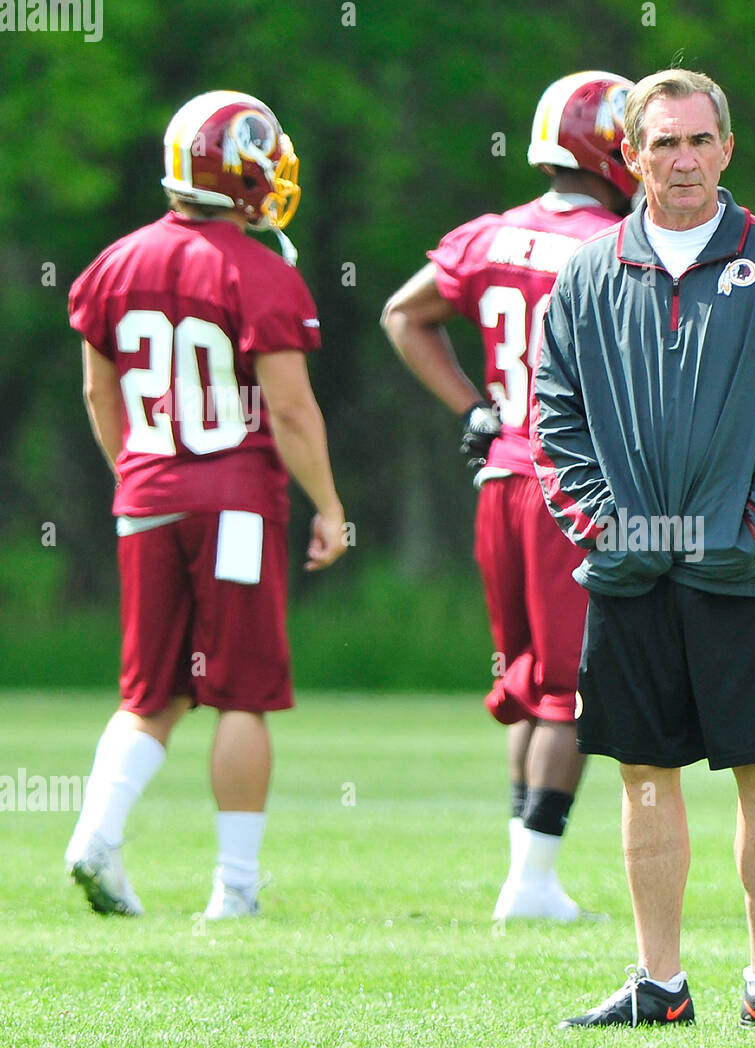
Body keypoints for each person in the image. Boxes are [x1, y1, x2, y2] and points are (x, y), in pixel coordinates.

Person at [534, 68, 755, 1029]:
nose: (683, 159)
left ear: (726, 148)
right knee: (643, 773)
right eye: (662, 142)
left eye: (698, 139)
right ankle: (658, 984)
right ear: (628, 155)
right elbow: (555, 422)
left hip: (744, 568)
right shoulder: (589, 272)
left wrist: (750, 527)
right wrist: (610, 525)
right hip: (631, 570)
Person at [64, 90, 348, 920]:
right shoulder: (259, 271)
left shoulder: (114, 264)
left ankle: (96, 835)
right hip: (233, 503)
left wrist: (138, 476)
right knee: (240, 692)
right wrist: (329, 503)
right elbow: (291, 411)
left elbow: (97, 389)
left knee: (151, 691)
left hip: (145, 491)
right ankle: (235, 889)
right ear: (245, 172)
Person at [381, 72, 637, 922]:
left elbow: (402, 315)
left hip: (501, 476)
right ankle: (530, 883)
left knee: (530, 681)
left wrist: (476, 408)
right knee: (574, 688)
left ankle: (528, 875)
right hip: (573, 487)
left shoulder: (490, 235)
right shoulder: (619, 244)